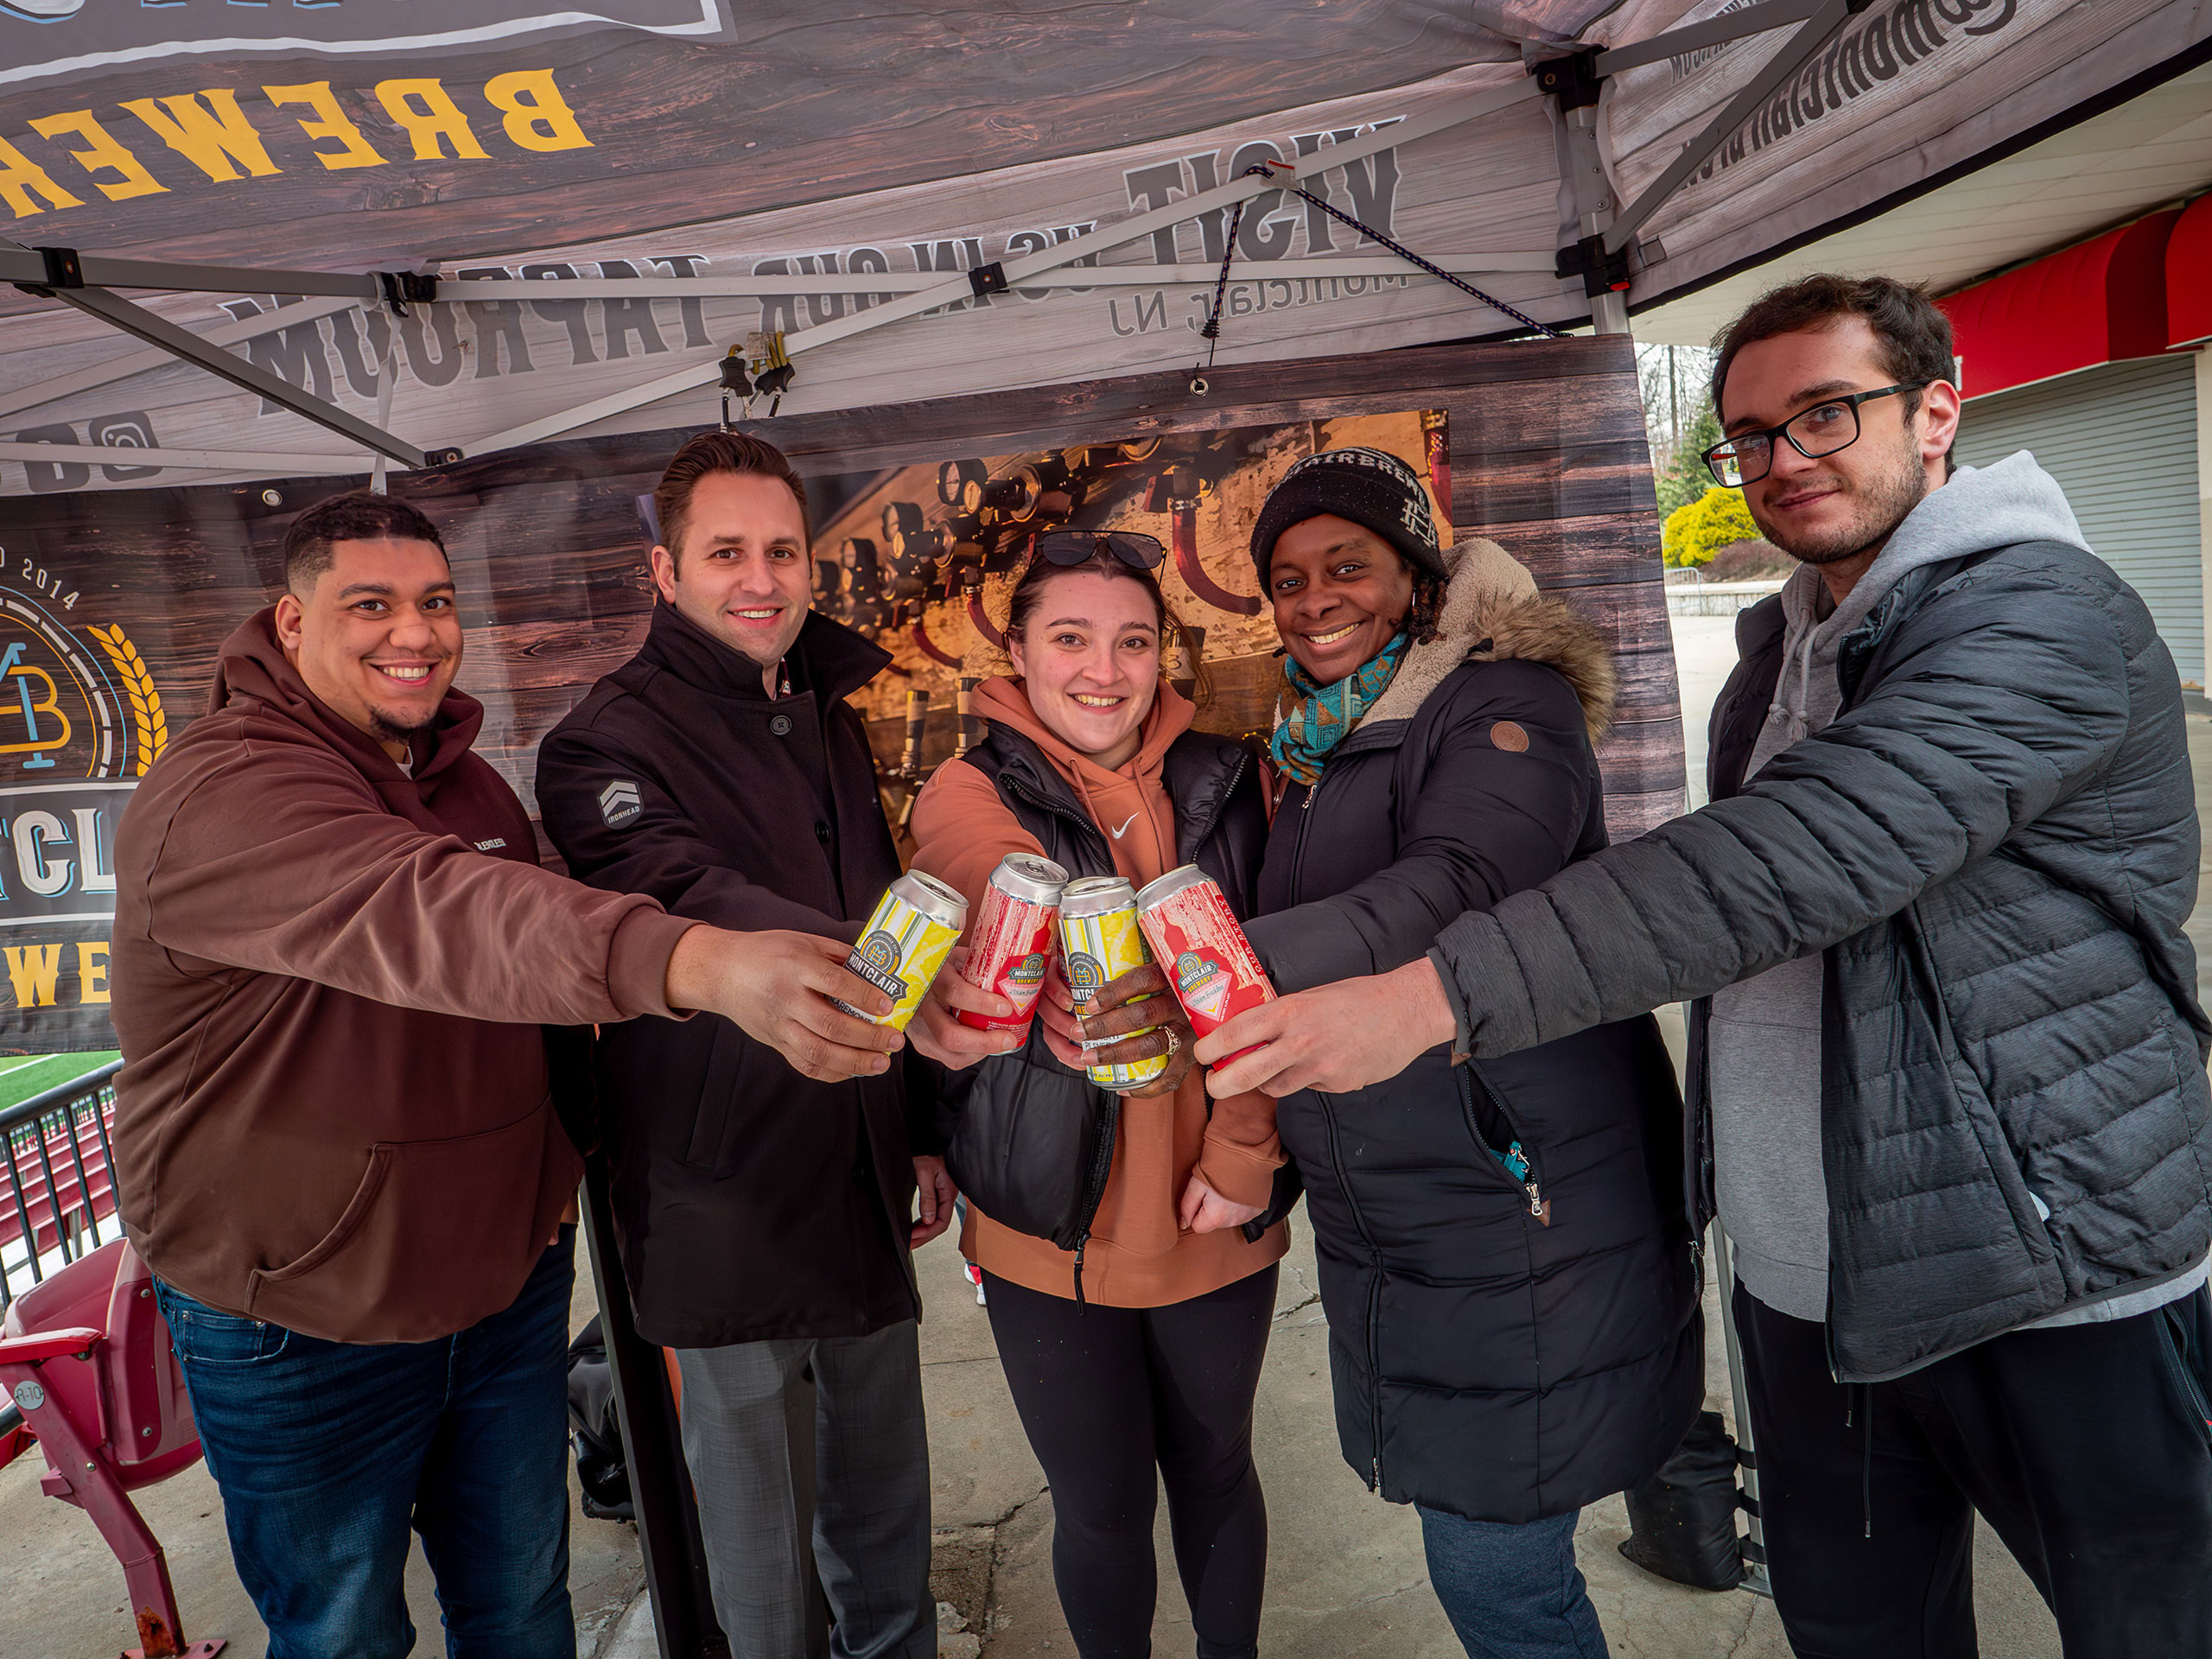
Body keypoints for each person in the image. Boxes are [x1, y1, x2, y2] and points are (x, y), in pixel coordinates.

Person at [1198, 277, 2212, 1659]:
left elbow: (1778, 866)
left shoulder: (2046, 615)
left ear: (1936, 413)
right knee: (1858, 1629)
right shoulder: (1775, 651)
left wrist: (1426, 998)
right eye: (1750, 434)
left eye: (1824, 415)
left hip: (2042, 1260)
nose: (1782, 460)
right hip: (1810, 1282)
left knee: (2147, 1624)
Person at [111, 490, 906, 1659]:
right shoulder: (226, 789)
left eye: (435, 602)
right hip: (305, 1314)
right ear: (289, 623)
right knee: (343, 1633)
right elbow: (437, 913)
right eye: (369, 606)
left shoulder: (468, 780)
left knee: (525, 1610)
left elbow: (539, 998)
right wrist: (703, 961)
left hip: (498, 1296)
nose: (415, 633)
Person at [535, 431, 1008, 1659]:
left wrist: (917, 1129)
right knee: (759, 1552)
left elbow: (888, 892)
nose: (762, 578)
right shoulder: (599, 745)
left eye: (783, 551)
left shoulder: (828, 712)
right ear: (665, 571)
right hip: (718, 1190)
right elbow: (680, 892)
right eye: (727, 552)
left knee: (884, 1502)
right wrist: (889, 976)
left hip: (856, 1159)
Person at [1226, 449, 1697, 1659]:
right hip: (1411, 1210)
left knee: (1501, 1573)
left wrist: (1212, 965)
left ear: (1420, 580)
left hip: (1513, 1194)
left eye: (1349, 567)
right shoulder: (1317, 744)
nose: (1316, 598)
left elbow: (1463, 885)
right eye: (1288, 578)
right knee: (1492, 1547)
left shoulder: (1507, 704)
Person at [905, 529, 1286, 1659]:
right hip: (1044, 1219)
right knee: (1102, 1504)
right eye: (1070, 639)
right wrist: (1031, 978)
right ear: (1017, 652)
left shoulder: (1230, 778)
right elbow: (976, 867)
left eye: (1131, 642)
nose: (1103, 672)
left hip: (1212, 1198)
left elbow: (1270, 984)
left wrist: (1246, 1156)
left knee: (1217, 1470)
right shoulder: (967, 786)